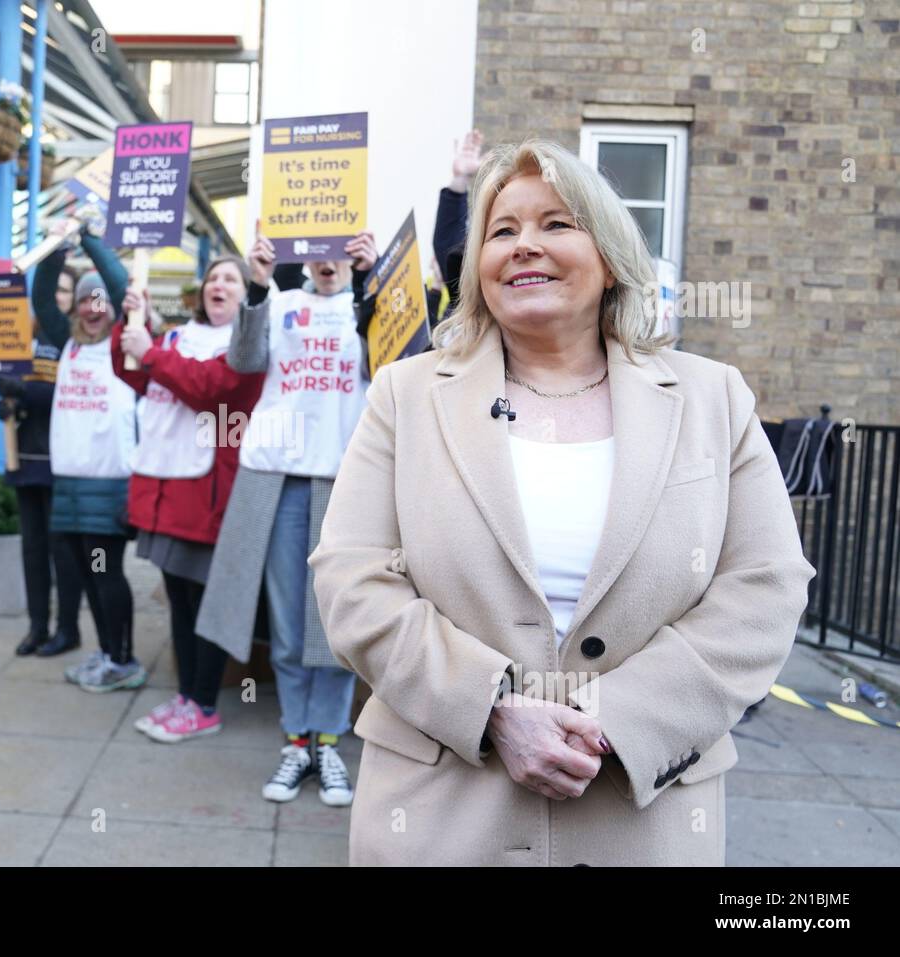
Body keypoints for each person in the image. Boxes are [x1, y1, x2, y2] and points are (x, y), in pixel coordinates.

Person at [309, 139, 816, 866]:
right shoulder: (406, 395)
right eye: (502, 230)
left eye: (555, 224)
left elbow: (766, 587)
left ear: (609, 256)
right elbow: (351, 579)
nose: (524, 247)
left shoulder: (713, 398)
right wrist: (491, 710)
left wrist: (616, 719)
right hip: (442, 811)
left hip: (639, 816)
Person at [196, 227, 377, 806]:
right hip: (276, 478)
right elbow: (244, 360)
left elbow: (395, 362)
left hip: (343, 482)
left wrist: (374, 280)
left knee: (334, 625)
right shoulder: (280, 303)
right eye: (317, 251)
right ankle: (296, 739)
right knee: (286, 625)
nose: (327, 262)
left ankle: (329, 741)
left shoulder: (366, 305)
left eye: (339, 252)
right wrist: (255, 282)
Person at [111, 256, 264, 742]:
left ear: (246, 295)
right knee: (178, 597)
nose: (219, 285)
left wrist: (151, 353)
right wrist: (130, 326)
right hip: (166, 485)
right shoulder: (177, 336)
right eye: (213, 278)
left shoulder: (246, 345)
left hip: (207, 491)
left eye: (231, 280)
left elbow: (214, 389)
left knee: (206, 604)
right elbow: (134, 374)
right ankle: (186, 697)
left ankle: (203, 704)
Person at [33, 219, 144, 692]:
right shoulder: (69, 343)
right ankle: (105, 652)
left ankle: (124, 660)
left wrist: (91, 240)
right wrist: (58, 245)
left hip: (109, 482)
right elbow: (40, 296)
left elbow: (119, 286)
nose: (93, 307)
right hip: (70, 484)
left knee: (106, 573)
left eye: (99, 300)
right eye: (84, 299)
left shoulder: (125, 341)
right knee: (83, 574)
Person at [0, 260, 86, 657]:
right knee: (31, 547)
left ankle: (67, 628)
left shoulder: (76, 340)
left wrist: (27, 392)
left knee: (62, 550)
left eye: (64, 291)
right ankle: (37, 626)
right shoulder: (20, 334)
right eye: (51, 291)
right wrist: (6, 402)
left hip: (62, 459)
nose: (56, 298)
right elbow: (10, 390)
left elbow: (69, 396)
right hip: (24, 456)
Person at [432, 129, 484, 324]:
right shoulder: (473, 303)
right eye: (504, 231)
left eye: (554, 225)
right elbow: (449, 247)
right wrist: (460, 179)